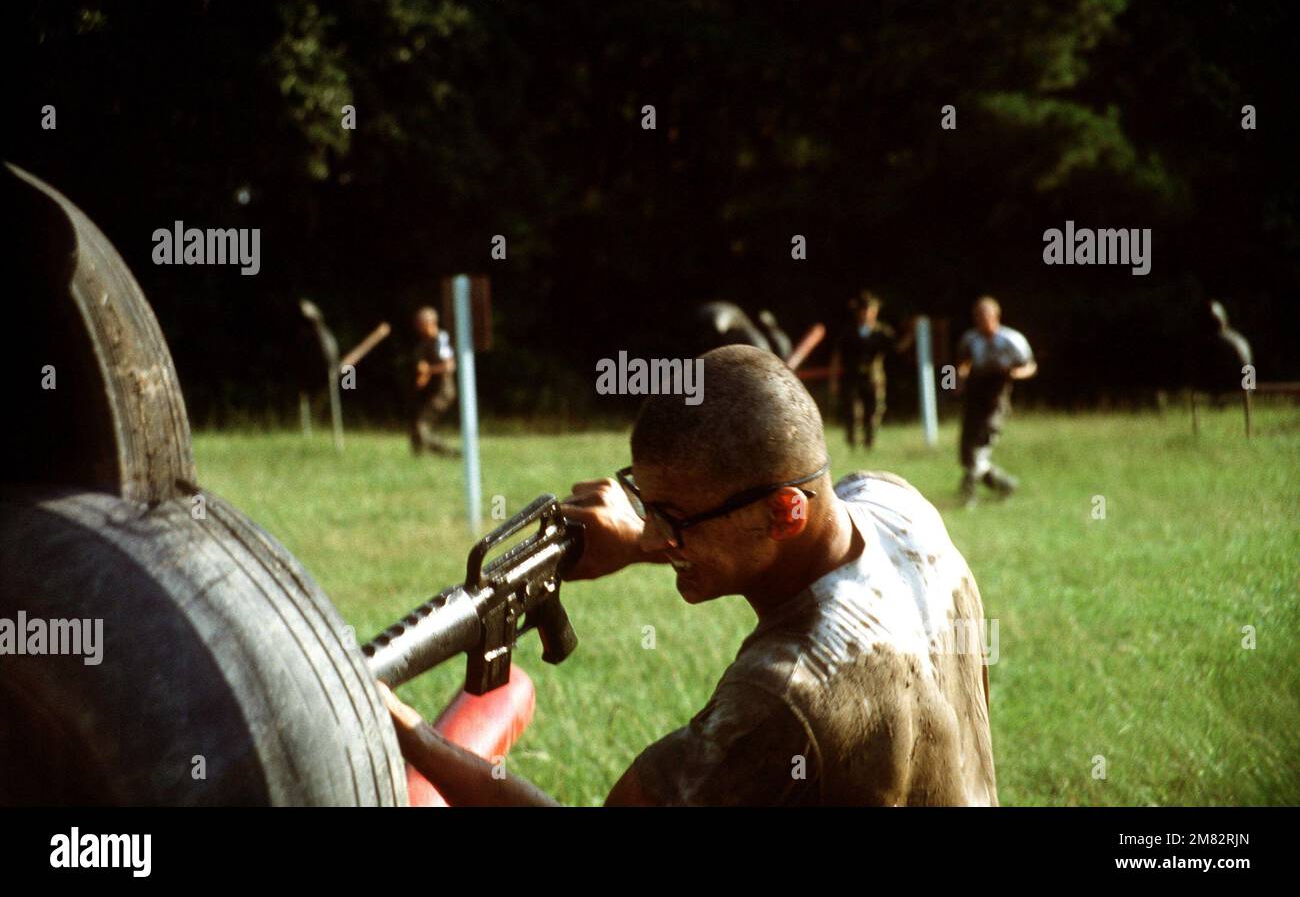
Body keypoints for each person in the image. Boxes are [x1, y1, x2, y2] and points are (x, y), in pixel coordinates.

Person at [381, 345, 998, 806]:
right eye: (645, 506)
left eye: (673, 518)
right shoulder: (900, 508)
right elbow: (800, 543)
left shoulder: (783, 696)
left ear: (785, 510)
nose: (651, 534)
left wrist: (413, 736)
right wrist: (641, 543)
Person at [955, 297, 1036, 506]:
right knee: (966, 452)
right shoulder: (970, 339)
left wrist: (1016, 373)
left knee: (980, 449)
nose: (982, 323)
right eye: (978, 318)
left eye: (986, 318)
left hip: (996, 400)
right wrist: (958, 380)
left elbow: (1031, 365)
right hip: (974, 398)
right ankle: (1005, 484)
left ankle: (969, 494)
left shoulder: (1011, 340)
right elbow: (962, 363)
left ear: (996, 317)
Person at [829, 291, 913, 450]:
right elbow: (837, 356)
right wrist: (833, 379)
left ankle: (870, 442)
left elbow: (897, 349)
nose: (867, 313)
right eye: (864, 310)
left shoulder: (882, 331)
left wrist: (912, 334)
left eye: (870, 310)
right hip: (852, 378)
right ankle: (852, 443)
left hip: (874, 378)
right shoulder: (848, 332)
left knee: (874, 411)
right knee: (853, 412)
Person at [409, 306, 458, 456]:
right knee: (415, 426)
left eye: (419, 324)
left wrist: (428, 370)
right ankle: (417, 461)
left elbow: (449, 365)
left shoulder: (440, 340)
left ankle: (450, 454)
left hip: (443, 391)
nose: (417, 328)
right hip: (430, 391)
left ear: (430, 323)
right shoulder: (425, 343)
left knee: (421, 427)